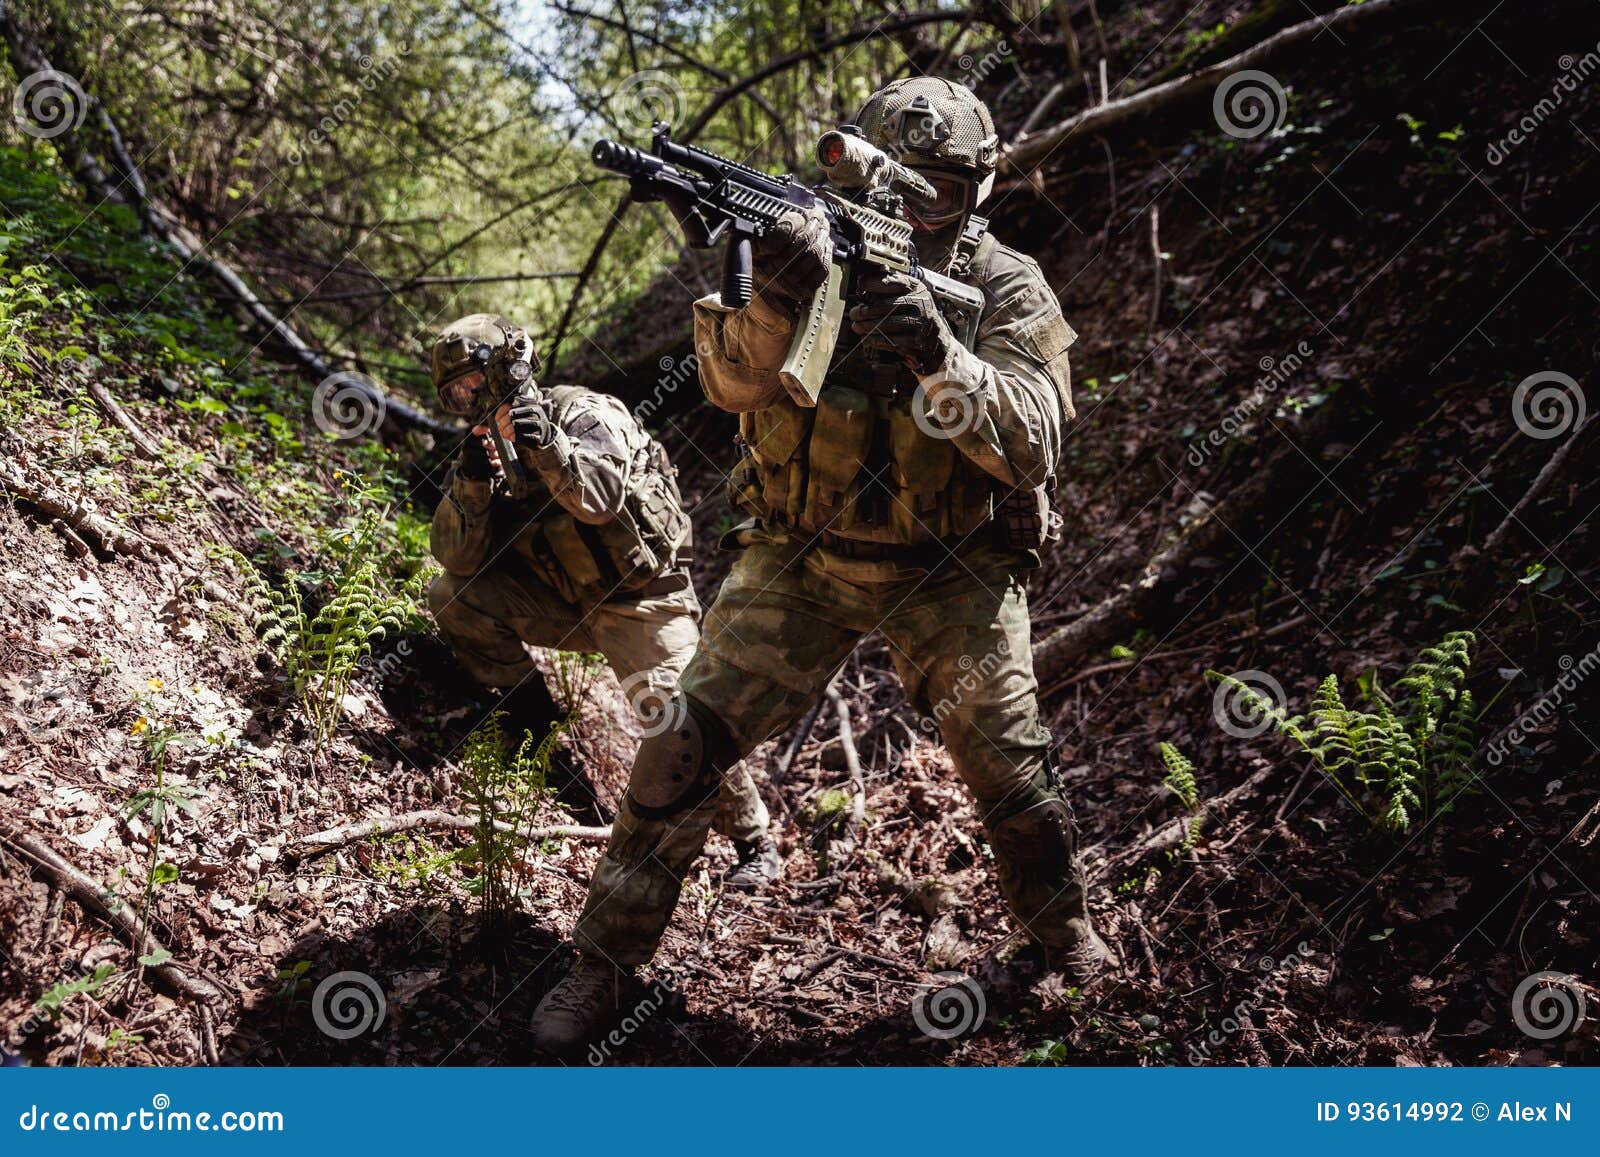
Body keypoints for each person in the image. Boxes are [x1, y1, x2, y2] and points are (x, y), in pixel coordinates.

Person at [532, 78, 1113, 1055]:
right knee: (680, 747)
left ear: (979, 184)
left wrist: (940, 352)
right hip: (798, 557)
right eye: (903, 177)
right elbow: (728, 385)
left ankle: (1066, 937)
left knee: (1010, 768)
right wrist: (776, 295)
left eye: (947, 183)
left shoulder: (1008, 284)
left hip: (951, 567)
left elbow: (1033, 448)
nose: (923, 199)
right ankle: (602, 964)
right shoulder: (803, 245)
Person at [425, 313, 780, 889]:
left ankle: (753, 840)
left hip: (642, 601)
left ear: (504, 372)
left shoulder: (584, 413)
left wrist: (544, 446)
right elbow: (455, 560)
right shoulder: (486, 449)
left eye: (472, 383)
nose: (467, 400)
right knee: (453, 597)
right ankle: (534, 719)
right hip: (563, 600)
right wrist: (471, 481)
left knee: (683, 720)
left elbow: (600, 500)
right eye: (453, 394)